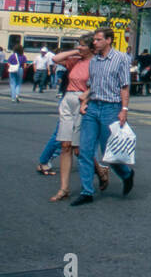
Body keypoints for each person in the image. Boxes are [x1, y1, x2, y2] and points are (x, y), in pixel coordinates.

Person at [70, 26, 135, 206]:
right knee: (85, 150)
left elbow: (124, 86)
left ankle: (126, 174)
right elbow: (91, 85)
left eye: (98, 39)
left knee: (109, 153)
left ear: (108, 40)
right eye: (94, 40)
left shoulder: (121, 58)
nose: (95, 43)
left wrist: (124, 109)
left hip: (111, 108)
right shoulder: (94, 61)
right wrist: (84, 102)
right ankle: (86, 191)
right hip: (93, 106)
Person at [48, 34, 101, 202]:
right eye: (78, 45)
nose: (79, 48)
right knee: (65, 145)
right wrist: (74, 51)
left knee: (78, 149)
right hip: (67, 100)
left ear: (91, 48)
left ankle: (100, 171)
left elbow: (97, 85)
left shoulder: (96, 63)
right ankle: (64, 188)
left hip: (82, 101)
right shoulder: (75, 61)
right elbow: (56, 58)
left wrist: (86, 97)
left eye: (82, 46)